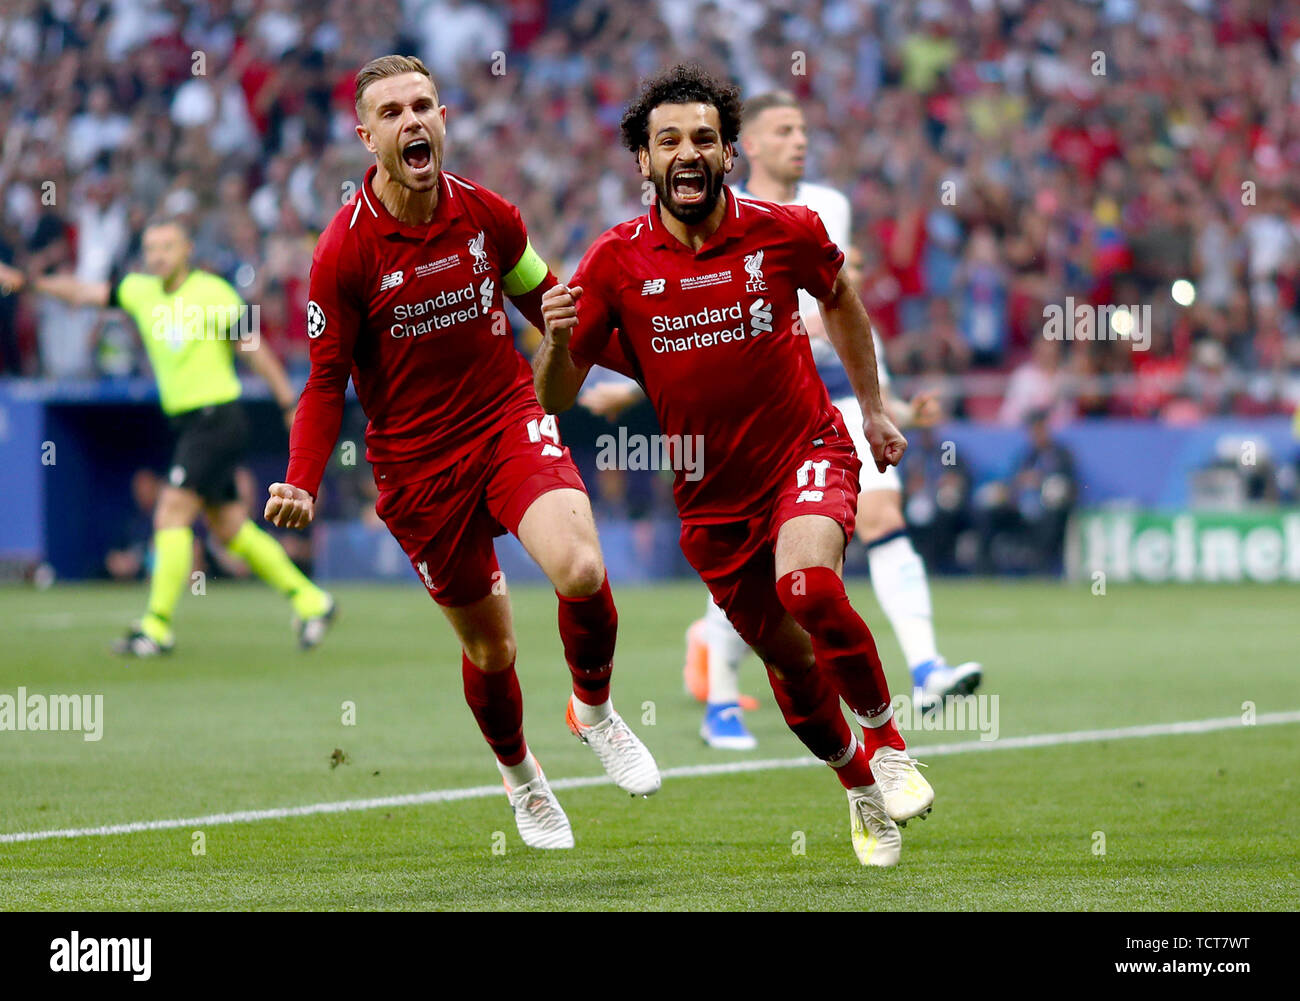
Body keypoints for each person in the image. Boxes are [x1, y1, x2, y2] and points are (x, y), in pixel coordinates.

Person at [535, 64, 931, 867]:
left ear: (728, 153)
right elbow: (556, 396)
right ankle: (857, 786)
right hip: (712, 504)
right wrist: (554, 336)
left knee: (809, 584)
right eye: (668, 140)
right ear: (642, 162)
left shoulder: (782, 229)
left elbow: (842, 299)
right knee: (788, 660)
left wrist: (875, 409)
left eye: (705, 139)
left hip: (805, 450)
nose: (688, 153)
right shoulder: (614, 262)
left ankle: (888, 741)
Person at [263, 55, 659, 851]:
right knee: (492, 647)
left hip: (505, 420)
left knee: (580, 567)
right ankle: (523, 778)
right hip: (415, 469)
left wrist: (658, 367)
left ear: (443, 119)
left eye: (424, 106)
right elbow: (324, 382)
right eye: (393, 112)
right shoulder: (342, 252)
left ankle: (595, 709)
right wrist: (303, 480)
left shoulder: (487, 215)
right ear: (366, 134)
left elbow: (555, 313)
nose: (413, 121)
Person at [0, 220, 336, 657]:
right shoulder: (140, 290)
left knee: (171, 513)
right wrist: (28, 282)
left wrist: (290, 402)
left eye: (167, 246)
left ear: (186, 249)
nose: (158, 255)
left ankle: (156, 628)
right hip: (190, 423)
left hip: (217, 418)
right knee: (231, 529)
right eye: (151, 248)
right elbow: (84, 293)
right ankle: (312, 600)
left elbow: (253, 347)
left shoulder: (216, 293)